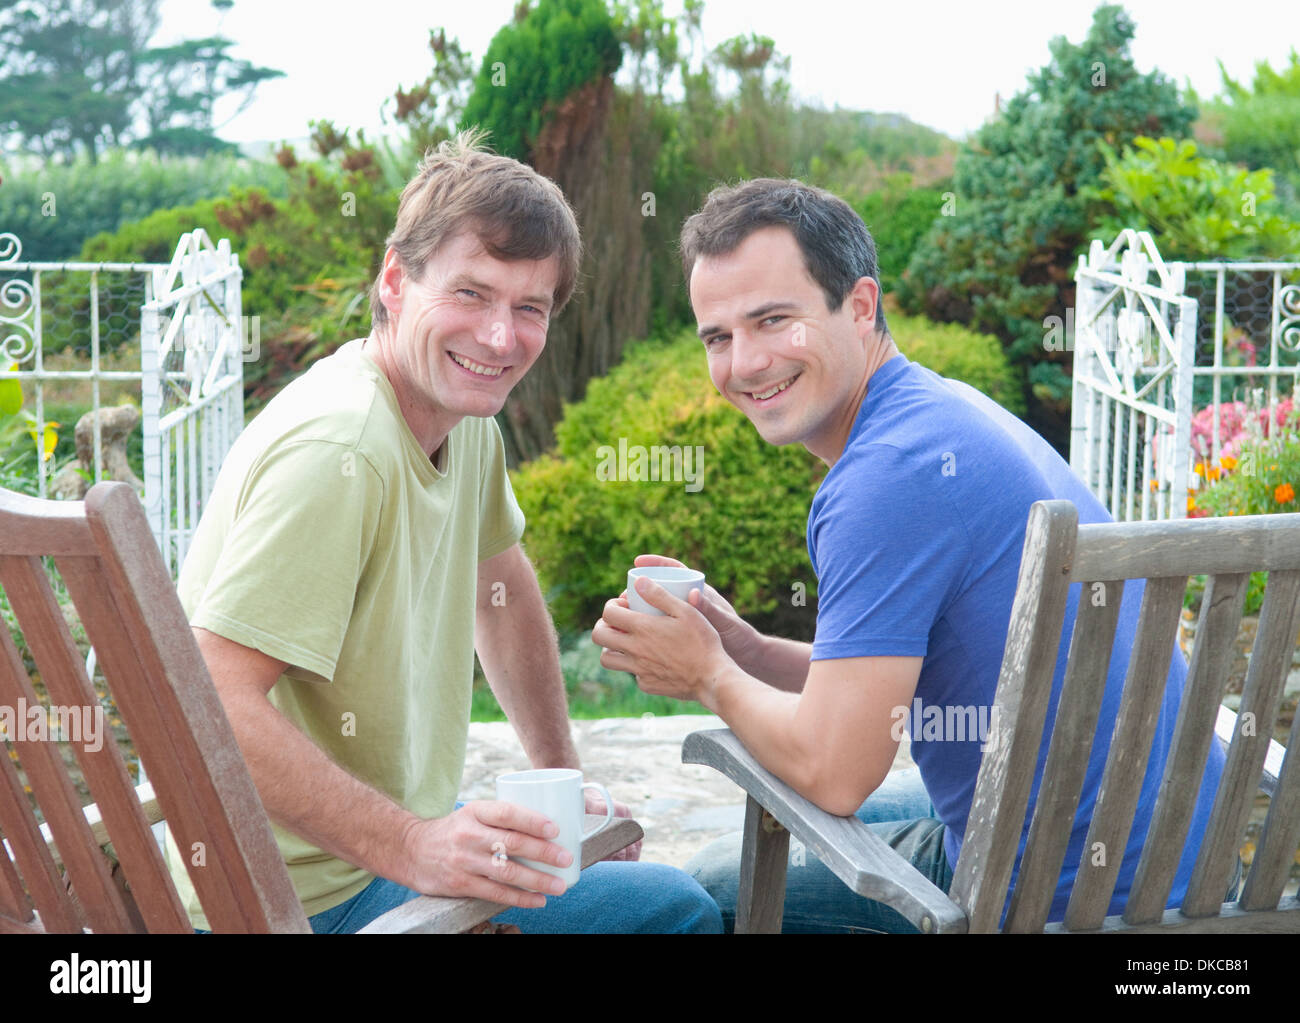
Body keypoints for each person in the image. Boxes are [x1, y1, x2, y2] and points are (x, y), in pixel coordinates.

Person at [591, 177, 1230, 932]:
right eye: (718, 337)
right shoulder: (942, 413)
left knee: (705, 884)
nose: (746, 363)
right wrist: (750, 651)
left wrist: (706, 672)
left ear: (860, 307)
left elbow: (835, 772)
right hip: (1175, 848)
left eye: (772, 320)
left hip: (1049, 895)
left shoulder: (884, 480)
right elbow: (874, 686)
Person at [163, 131, 720, 934]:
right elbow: (208, 698)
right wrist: (415, 845)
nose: (500, 338)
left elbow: (502, 590)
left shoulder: (461, 418)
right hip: (292, 898)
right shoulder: (342, 450)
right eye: (471, 293)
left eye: (529, 308)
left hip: (366, 850)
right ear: (395, 279)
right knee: (675, 911)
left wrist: (560, 776)